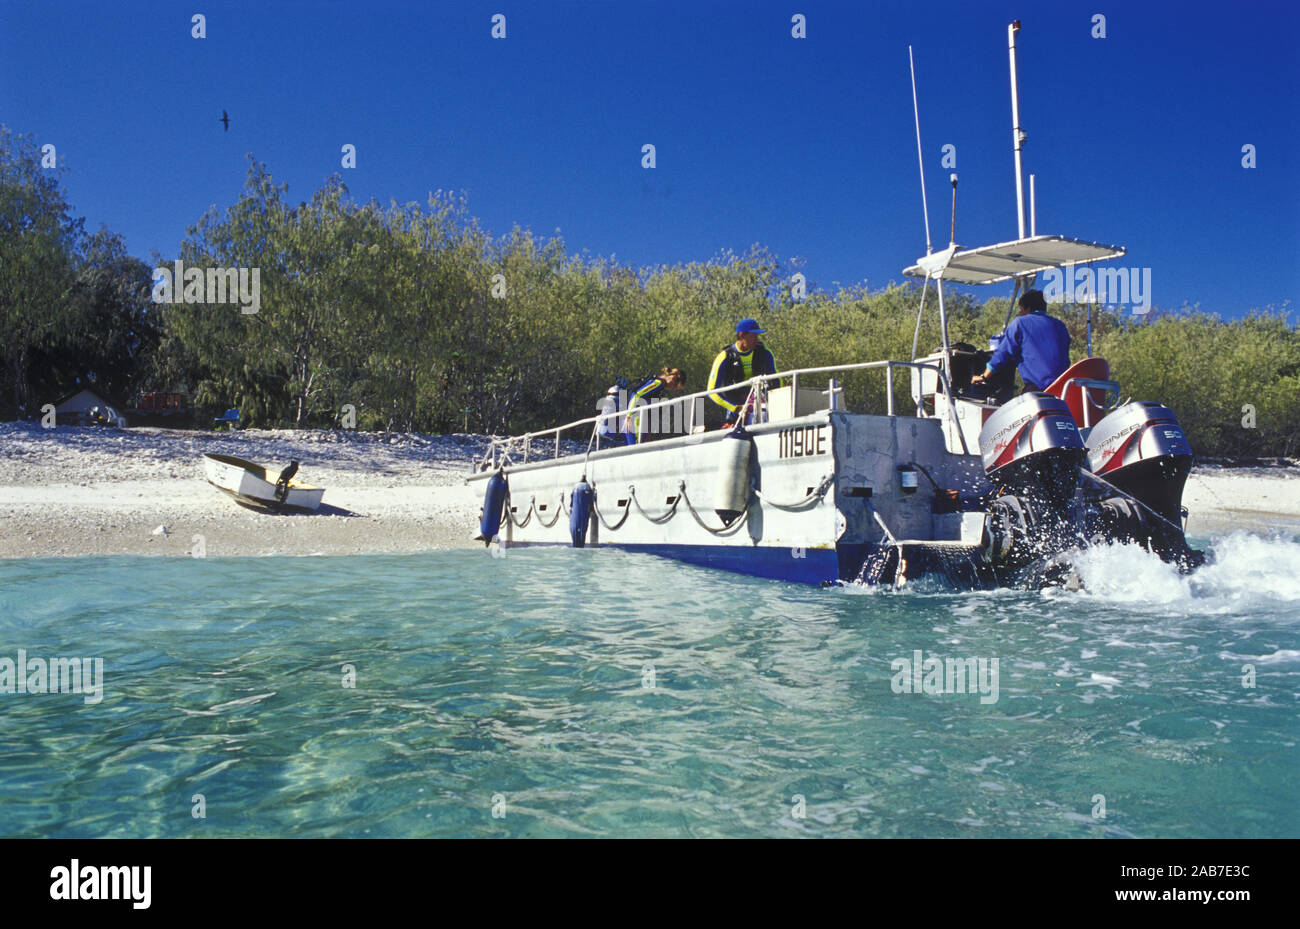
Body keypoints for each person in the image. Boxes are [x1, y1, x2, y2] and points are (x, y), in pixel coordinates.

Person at [970, 289, 1071, 393]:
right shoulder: (1060, 326)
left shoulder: (1020, 323)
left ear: (1028, 308)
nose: (1019, 313)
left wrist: (984, 377)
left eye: (1021, 310)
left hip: (1038, 389)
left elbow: (1002, 354)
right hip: (1063, 389)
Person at [707, 318, 778, 426]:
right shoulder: (725, 356)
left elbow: (777, 380)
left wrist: (776, 401)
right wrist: (735, 408)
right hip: (736, 406)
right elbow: (711, 391)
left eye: (757, 336)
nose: (756, 339)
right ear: (741, 336)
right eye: (753, 336)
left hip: (760, 403)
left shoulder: (765, 353)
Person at [623, 367, 686, 444]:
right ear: (673, 377)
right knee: (635, 446)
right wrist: (628, 416)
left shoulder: (660, 386)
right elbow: (636, 395)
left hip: (640, 420)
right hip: (633, 419)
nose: (673, 389)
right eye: (675, 386)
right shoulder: (658, 383)